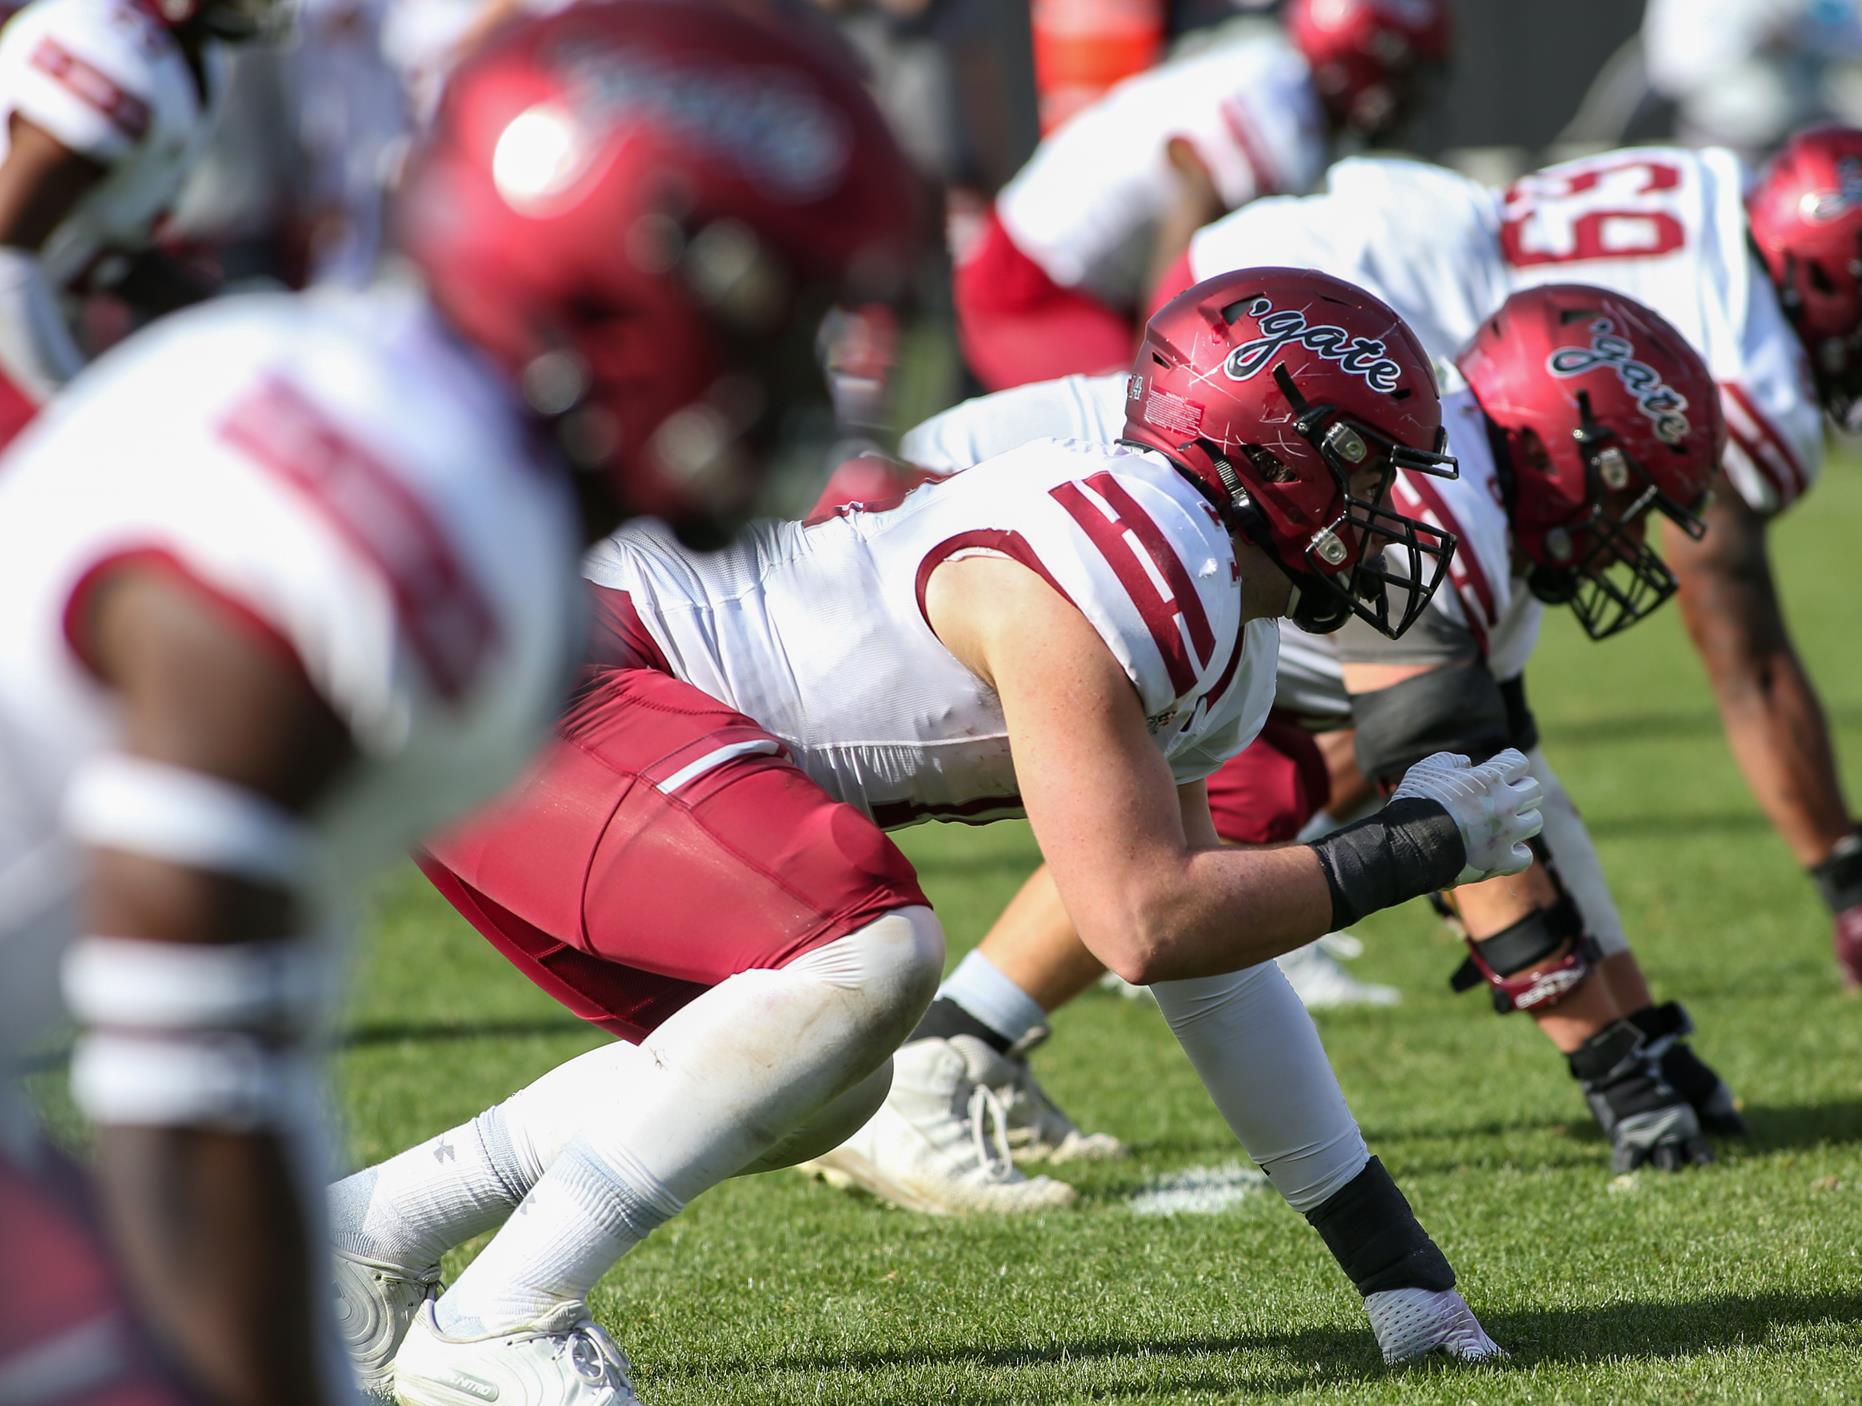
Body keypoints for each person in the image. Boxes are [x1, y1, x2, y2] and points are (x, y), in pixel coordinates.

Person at [333, 266, 1529, 1403]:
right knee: (870, 942)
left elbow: (1206, 958)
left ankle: (373, 1231)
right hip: (547, 658)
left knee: (825, 1084)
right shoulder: (1141, 557)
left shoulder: (1217, 616)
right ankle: (501, 1324)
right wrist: (1414, 845)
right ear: (1275, 451)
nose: (1385, 510)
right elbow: (1141, 920)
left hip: (558, 677)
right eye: (1368, 469)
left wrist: (1395, 1266)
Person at [0, 5, 917, 1403]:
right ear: (616, 283)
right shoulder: (385, 518)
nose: (807, 379)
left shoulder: (459, 496)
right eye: (778, 317)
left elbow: (249, 1041)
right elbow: (185, 1056)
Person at [812, 282, 1756, 1216]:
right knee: (1178, 829)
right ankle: (936, 1061)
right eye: (1627, 492)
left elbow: (1518, 795)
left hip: (1074, 554)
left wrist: (1643, 1032)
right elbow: (1463, 819)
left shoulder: (1458, 499)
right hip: (939, 530)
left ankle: (966, 1042)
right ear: (1559, 448)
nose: (1628, 536)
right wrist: (1613, 1070)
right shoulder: (1436, 510)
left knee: (1278, 780)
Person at [1166, 126, 1862, 992]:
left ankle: (1180, 909)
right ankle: (1202, 913)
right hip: (1299, 349)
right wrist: (1848, 881)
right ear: (1830, 270)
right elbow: (1747, 657)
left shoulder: (1703, 181)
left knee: (1309, 702)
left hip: (1262, 291)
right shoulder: (1747, 346)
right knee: (1380, 688)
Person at [954, 0, 1448, 390]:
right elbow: (1193, 192)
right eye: (1401, 68)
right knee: (1138, 425)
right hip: (1035, 285)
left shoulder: (1283, 85)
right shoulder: (1279, 104)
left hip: (1086, 286)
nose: (1407, 93)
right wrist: (1162, 353)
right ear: (1359, 51)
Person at [0, 0, 269, 444]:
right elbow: (4, 254)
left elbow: (100, 246)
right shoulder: (105, 49)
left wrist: (219, 314)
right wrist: (73, 408)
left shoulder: (192, 53)